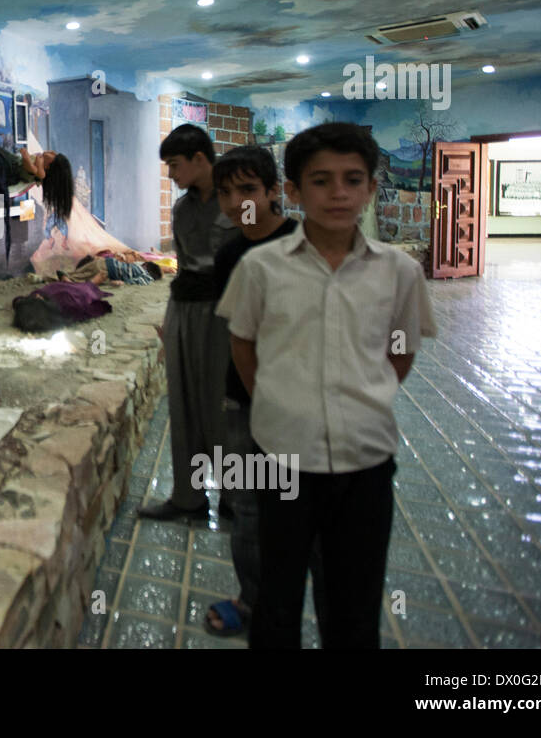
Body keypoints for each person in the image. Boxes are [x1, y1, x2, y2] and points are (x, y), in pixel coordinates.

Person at [217, 123, 436, 649]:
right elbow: (243, 347)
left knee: (354, 607)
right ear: (292, 191)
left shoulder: (400, 272)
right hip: (282, 461)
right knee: (276, 598)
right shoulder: (261, 268)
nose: (338, 193)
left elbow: (401, 351)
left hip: (366, 463)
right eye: (320, 180)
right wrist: (281, 403)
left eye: (352, 179)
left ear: (369, 187)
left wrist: (361, 395)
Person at [203, 145, 318, 637]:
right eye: (225, 192)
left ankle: (291, 602)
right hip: (243, 399)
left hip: (305, 404)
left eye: (248, 189)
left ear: (274, 191)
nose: (235, 203)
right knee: (246, 508)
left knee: (302, 509)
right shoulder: (229, 254)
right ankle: (252, 602)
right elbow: (237, 335)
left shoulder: (306, 243)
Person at [140, 125, 239, 523]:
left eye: (175, 165)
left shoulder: (237, 201)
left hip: (225, 313)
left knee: (223, 407)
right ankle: (188, 497)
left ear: (201, 159)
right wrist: (171, 323)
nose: (171, 175)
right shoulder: (182, 209)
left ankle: (236, 499)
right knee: (183, 405)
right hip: (184, 311)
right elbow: (182, 268)